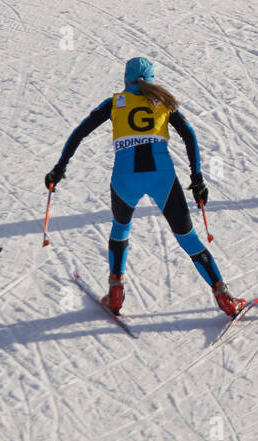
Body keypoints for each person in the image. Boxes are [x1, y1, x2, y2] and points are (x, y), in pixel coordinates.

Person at [45, 57, 245, 318]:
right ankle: (223, 295)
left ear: (126, 79)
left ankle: (116, 290)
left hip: (125, 178)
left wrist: (60, 168)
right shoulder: (163, 101)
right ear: (151, 80)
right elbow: (189, 136)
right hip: (162, 177)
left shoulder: (115, 103)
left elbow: (79, 133)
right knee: (188, 238)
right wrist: (197, 179)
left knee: (120, 229)